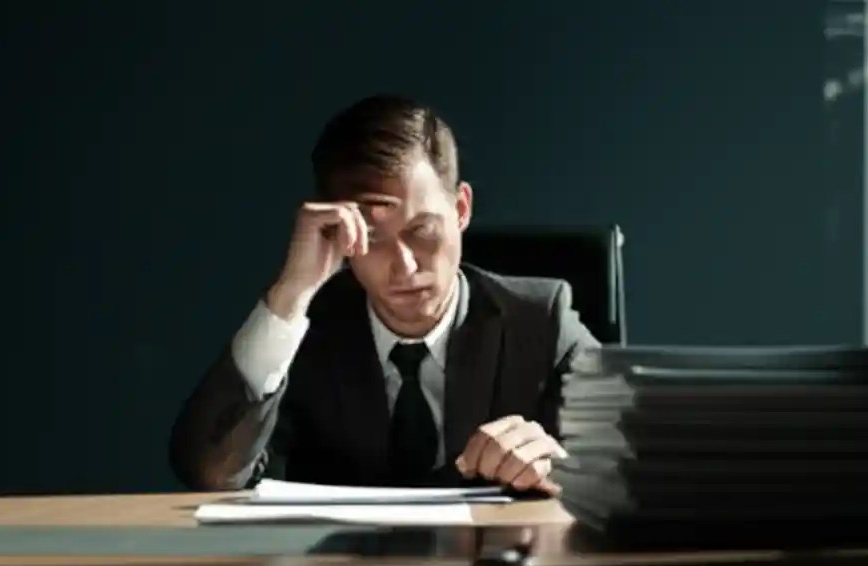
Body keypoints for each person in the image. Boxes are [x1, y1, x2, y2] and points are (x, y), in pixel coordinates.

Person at [169, 95, 599, 496]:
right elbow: (211, 475)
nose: (405, 268)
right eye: (372, 240)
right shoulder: (303, 333)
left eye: (423, 231)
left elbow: (628, 461)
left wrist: (560, 464)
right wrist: (290, 295)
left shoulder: (541, 319)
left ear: (461, 209)